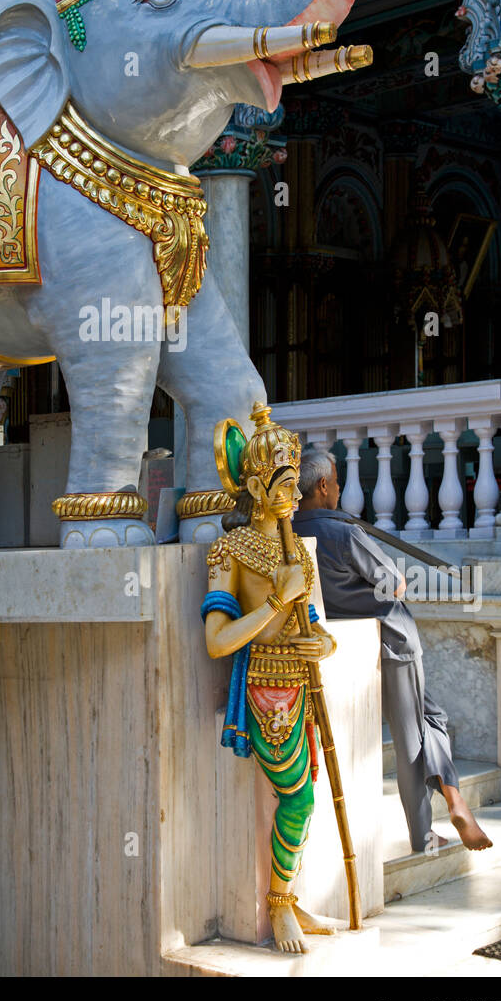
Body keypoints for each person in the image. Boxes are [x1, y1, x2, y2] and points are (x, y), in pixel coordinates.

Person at [293, 448, 491, 855]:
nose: (339, 492)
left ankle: (450, 804)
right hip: (393, 641)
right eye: (337, 483)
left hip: (345, 642)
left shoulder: (289, 532)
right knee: (412, 736)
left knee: (429, 716)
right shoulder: (344, 532)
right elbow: (394, 585)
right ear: (323, 486)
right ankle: (431, 825)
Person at [204, 405, 338, 954]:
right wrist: (277, 601)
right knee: (299, 800)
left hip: (302, 684)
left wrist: (323, 644)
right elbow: (217, 640)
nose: (299, 497)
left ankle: (290, 895)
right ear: (258, 488)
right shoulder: (230, 551)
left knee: (307, 799)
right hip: (264, 688)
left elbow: (320, 628)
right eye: (286, 486)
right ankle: (277, 903)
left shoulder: (297, 553)